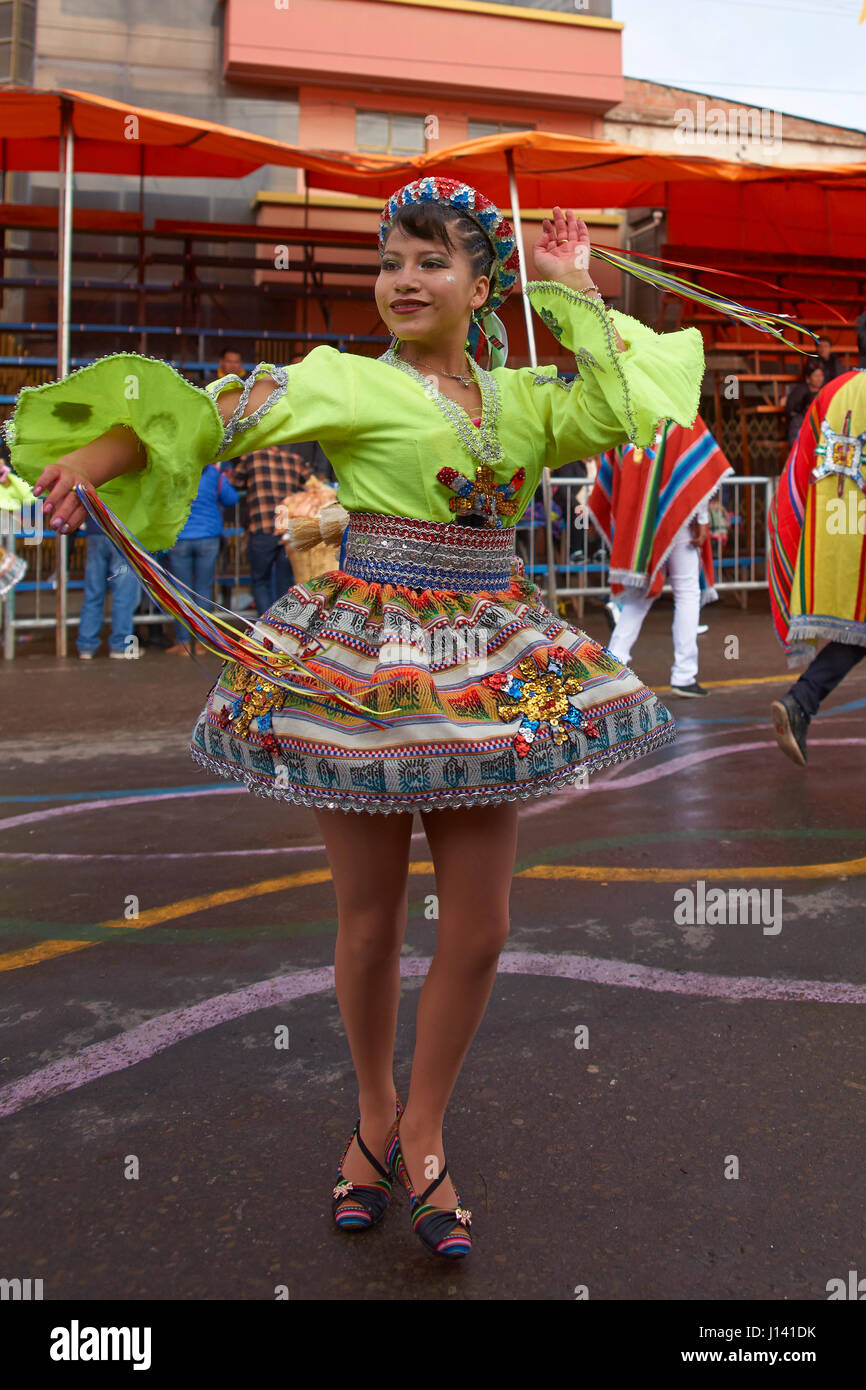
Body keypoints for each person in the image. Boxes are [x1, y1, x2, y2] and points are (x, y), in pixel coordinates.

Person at [11, 180, 704, 1262]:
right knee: (369, 921)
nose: (402, 281)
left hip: (484, 664)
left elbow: (619, 410)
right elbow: (211, 418)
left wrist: (573, 290)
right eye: (389, 261)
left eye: (431, 262)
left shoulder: (523, 398)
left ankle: (420, 1130)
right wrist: (94, 460)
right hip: (364, 665)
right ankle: (375, 1119)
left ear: (481, 285)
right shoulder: (340, 380)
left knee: (479, 927)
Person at [585, 416, 735, 697]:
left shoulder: (628, 412)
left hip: (640, 523)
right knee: (686, 591)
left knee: (640, 594)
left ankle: (614, 664)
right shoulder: (682, 412)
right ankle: (684, 675)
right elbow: (699, 471)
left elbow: (613, 469)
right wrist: (701, 517)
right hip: (677, 519)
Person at [768, 367, 866, 765]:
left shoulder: (833, 390)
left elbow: (800, 461)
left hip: (837, 529)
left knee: (860, 630)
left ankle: (801, 701)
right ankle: (801, 701)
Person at [164, 462, 240, 655]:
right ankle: (202, 643)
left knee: (181, 592)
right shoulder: (214, 473)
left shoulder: (175, 470)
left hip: (179, 537)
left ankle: (182, 642)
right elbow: (232, 498)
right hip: (208, 538)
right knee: (203, 590)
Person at [229, 446, 310, 614]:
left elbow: (235, 483)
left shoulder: (251, 457)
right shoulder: (295, 459)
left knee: (260, 581)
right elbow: (311, 486)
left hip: (262, 528)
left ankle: (266, 628)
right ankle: (282, 627)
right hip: (286, 532)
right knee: (285, 582)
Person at [76, 510, 144, 659]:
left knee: (93, 593)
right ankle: (120, 646)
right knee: (123, 596)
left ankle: (86, 646)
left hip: (95, 530)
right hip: (123, 531)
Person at [782, 363, 826, 447]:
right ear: (808, 379)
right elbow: (790, 411)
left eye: (821, 375)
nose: (819, 379)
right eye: (816, 376)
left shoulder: (824, 390)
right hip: (800, 424)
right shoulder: (799, 392)